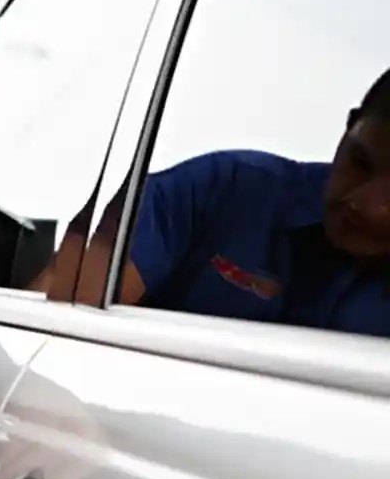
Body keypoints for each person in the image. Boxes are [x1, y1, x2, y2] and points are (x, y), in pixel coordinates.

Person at [38, 67, 390, 336]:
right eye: (359, 162)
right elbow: (52, 320)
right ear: (347, 128)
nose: (366, 205)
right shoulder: (229, 190)